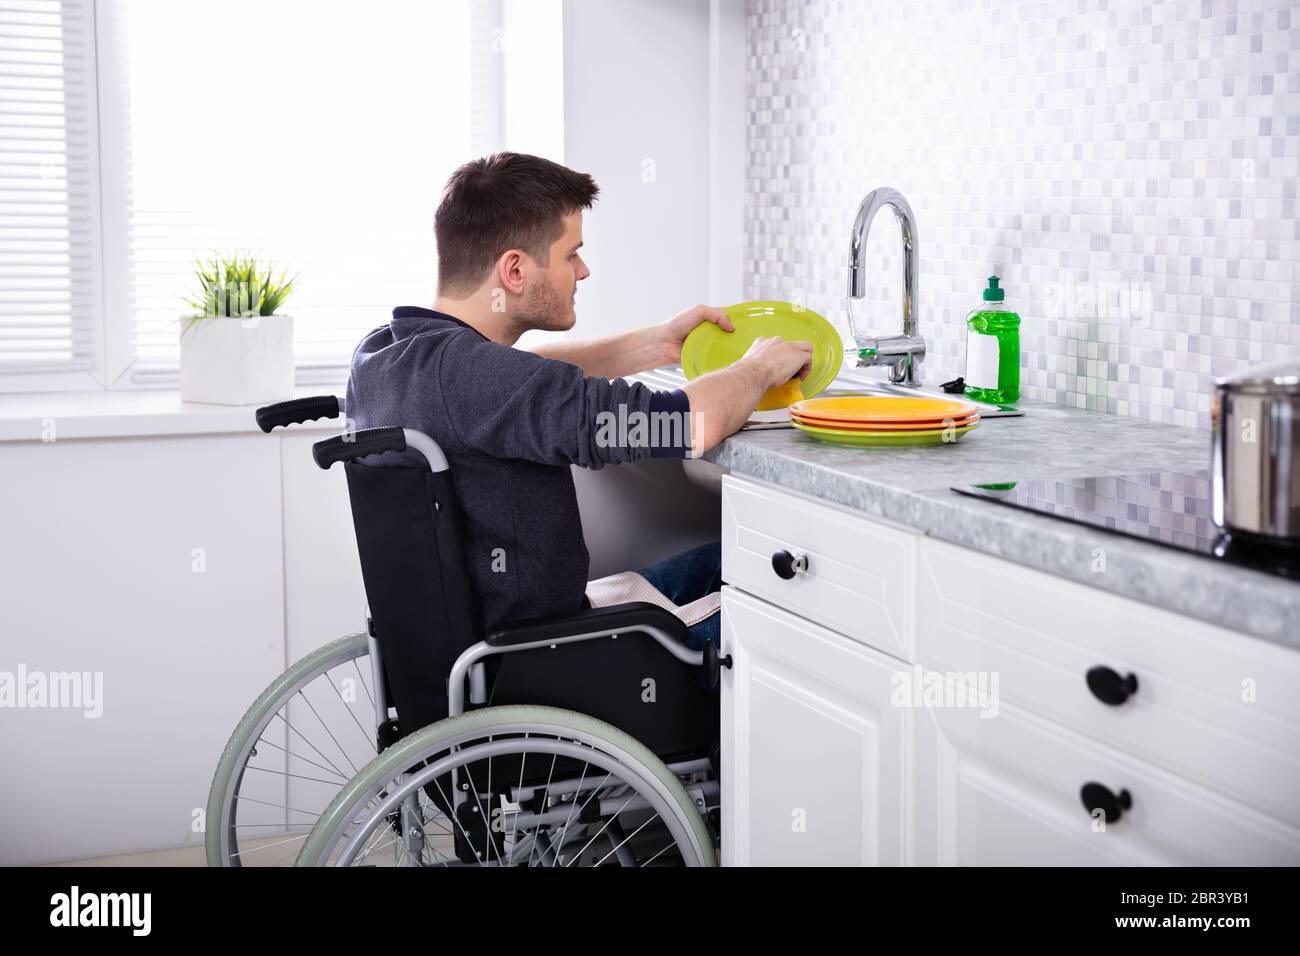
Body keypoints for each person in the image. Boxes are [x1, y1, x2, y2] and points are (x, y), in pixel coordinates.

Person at [346, 151, 810, 652]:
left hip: (476, 652)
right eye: (571, 254)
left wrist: (655, 344)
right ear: (515, 270)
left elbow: (521, 374)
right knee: (789, 598)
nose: (583, 271)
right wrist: (760, 366)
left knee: (733, 559)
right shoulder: (483, 380)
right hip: (550, 659)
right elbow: (684, 425)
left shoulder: (386, 355)